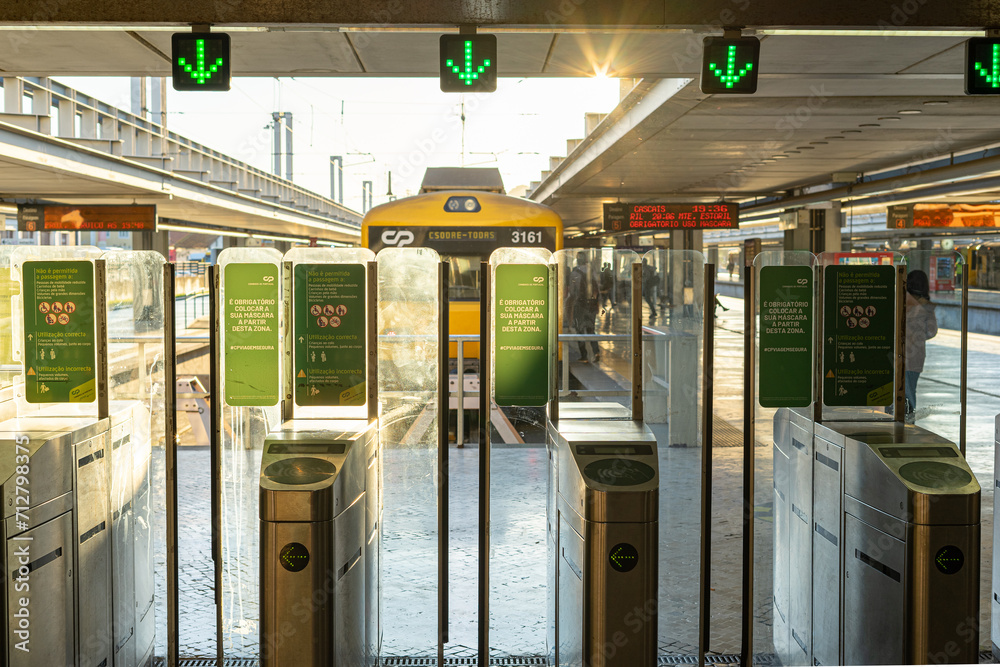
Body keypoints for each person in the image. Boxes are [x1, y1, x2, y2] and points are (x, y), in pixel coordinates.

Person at [903, 269, 937, 421]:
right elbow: (932, 331)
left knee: (892, 394)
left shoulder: (898, 300)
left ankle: (894, 424)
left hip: (893, 354)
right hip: (915, 356)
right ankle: (908, 426)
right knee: (910, 394)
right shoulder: (926, 306)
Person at [566, 252, 600, 363]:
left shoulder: (575, 272)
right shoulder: (592, 271)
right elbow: (597, 289)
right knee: (591, 329)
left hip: (579, 305)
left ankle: (584, 355)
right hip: (591, 304)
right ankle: (596, 351)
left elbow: (572, 291)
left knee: (579, 329)